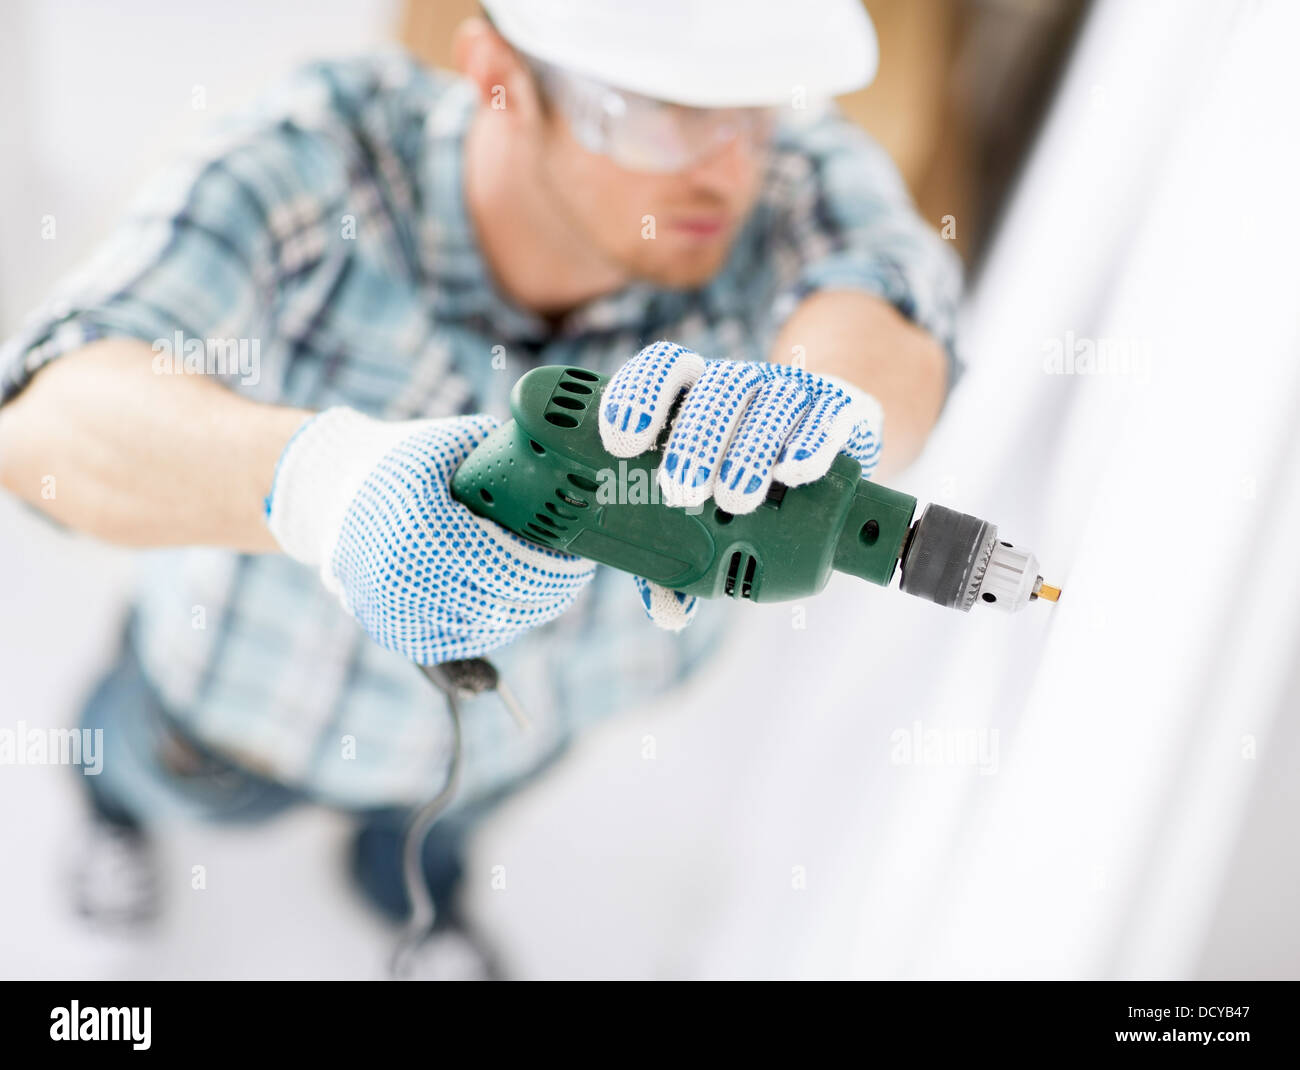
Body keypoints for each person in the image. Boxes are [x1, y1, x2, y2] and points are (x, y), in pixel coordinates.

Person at [0, 0, 960, 976]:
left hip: (514, 732)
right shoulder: (310, 161)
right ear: (499, 74)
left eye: (755, 110)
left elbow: (883, 294)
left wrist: (830, 406)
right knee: (141, 765)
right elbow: (44, 421)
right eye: (663, 109)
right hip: (242, 708)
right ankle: (111, 813)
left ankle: (415, 887)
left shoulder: (789, 173)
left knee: (432, 835)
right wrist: (326, 482)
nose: (728, 166)